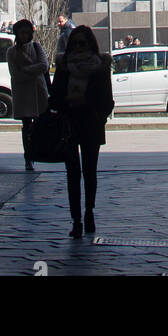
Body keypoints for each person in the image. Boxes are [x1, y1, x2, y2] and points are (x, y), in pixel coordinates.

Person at [50, 24, 114, 237]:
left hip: (91, 122)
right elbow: (55, 95)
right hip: (69, 122)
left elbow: (107, 99)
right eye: (75, 43)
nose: (78, 47)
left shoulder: (100, 65)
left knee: (90, 171)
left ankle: (89, 212)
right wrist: (65, 103)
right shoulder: (64, 65)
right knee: (72, 173)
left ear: (90, 44)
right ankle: (76, 220)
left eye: (82, 43)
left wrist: (98, 115)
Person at [6, 18, 50, 171]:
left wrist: (25, 69)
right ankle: (29, 156)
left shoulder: (37, 47)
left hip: (38, 91)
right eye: (21, 32)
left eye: (27, 32)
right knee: (26, 126)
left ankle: (40, 152)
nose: (24, 35)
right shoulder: (12, 52)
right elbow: (15, 75)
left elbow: (44, 66)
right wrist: (33, 71)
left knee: (41, 124)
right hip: (23, 94)